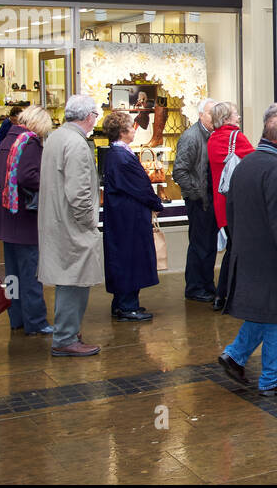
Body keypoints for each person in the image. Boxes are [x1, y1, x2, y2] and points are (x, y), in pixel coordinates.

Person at [216, 114, 277, 396]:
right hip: (273, 258)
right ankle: (274, 378)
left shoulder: (246, 164)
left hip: (248, 252)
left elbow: (231, 212)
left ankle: (234, 355)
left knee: (263, 311)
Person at [39, 94, 103, 358]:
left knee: (70, 278)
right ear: (88, 117)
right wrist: (89, 222)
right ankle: (65, 337)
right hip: (72, 224)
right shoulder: (76, 144)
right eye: (95, 116)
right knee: (73, 280)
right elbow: (79, 193)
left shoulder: (55, 137)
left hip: (57, 221)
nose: (95, 120)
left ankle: (68, 332)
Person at [0, 105, 54, 336]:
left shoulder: (8, 140)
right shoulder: (29, 142)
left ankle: (16, 317)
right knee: (30, 274)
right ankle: (36, 322)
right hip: (25, 217)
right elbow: (28, 176)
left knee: (13, 275)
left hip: (8, 215)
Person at [100, 111, 164, 321]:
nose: (134, 130)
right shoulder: (121, 157)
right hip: (129, 218)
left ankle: (121, 303)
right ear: (123, 131)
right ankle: (128, 306)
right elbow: (139, 186)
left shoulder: (116, 154)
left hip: (124, 216)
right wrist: (155, 203)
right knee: (130, 257)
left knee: (123, 257)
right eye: (130, 126)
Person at [207, 101, 255, 310]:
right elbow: (255, 161)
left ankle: (222, 295)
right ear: (227, 118)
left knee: (233, 248)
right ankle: (229, 294)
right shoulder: (236, 137)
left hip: (221, 202)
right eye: (235, 114)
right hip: (239, 202)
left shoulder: (212, 139)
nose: (238, 118)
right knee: (238, 249)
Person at [171, 98, 217, 302]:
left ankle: (207, 285)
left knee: (209, 244)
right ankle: (195, 287)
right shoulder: (191, 137)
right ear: (200, 115)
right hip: (199, 200)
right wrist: (197, 195)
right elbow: (179, 172)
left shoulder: (212, 135)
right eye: (210, 113)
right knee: (200, 245)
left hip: (210, 199)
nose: (214, 117)